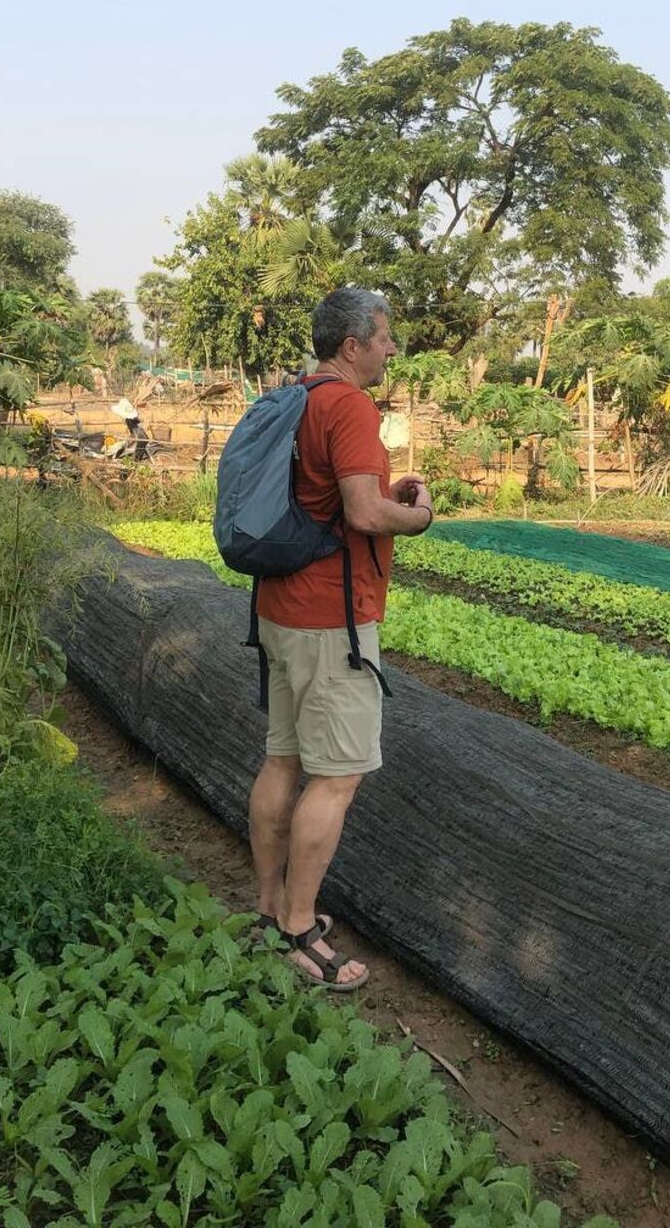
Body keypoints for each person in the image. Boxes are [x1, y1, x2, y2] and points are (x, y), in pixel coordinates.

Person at [248, 288, 434, 990]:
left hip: (278, 607)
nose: (392, 349)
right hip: (331, 620)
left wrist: (390, 490)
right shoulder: (349, 405)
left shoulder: (295, 397)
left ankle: (269, 910)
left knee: (283, 760)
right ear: (352, 344)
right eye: (385, 337)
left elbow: (331, 494)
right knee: (337, 777)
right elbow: (362, 513)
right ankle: (301, 930)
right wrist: (418, 517)